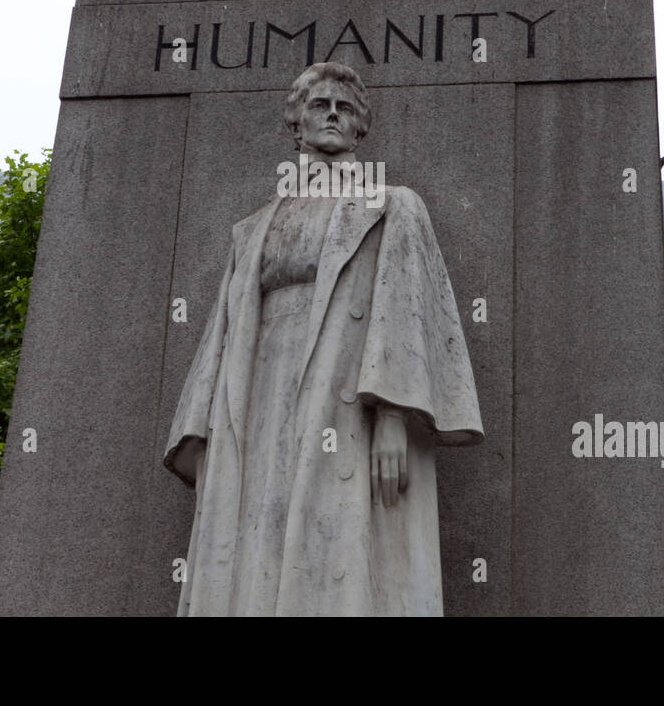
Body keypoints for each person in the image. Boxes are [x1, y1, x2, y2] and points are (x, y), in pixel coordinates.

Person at [164, 61, 483, 616]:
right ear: (297, 126)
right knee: (260, 539)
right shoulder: (253, 227)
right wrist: (204, 437)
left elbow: (404, 310)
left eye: (345, 107)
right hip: (262, 394)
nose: (332, 114)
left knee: (342, 543)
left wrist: (391, 416)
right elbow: (222, 335)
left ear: (360, 127)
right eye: (319, 105)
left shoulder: (394, 206)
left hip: (347, 396)